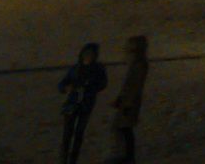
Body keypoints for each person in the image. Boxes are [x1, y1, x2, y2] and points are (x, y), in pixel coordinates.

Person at [56, 42, 107, 163]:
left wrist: (89, 87)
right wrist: (66, 88)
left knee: (79, 135)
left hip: (86, 105)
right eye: (86, 53)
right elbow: (61, 84)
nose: (88, 55)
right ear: (82, 54)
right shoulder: (75, 68)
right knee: (67, 135)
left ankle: (73, 160)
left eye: (91, 53)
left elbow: (103, 84)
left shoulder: (98, 69)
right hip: (71, 105)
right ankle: (63, 160)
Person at [108, 35, 148, 163]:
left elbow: (134, 86)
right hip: (127, 102)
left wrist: (127, 103)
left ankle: (127, 156)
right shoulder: (136, 63)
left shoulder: (139, 65)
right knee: (122, 128)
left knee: (124, 128)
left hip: (129, 103)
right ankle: (126, 155)